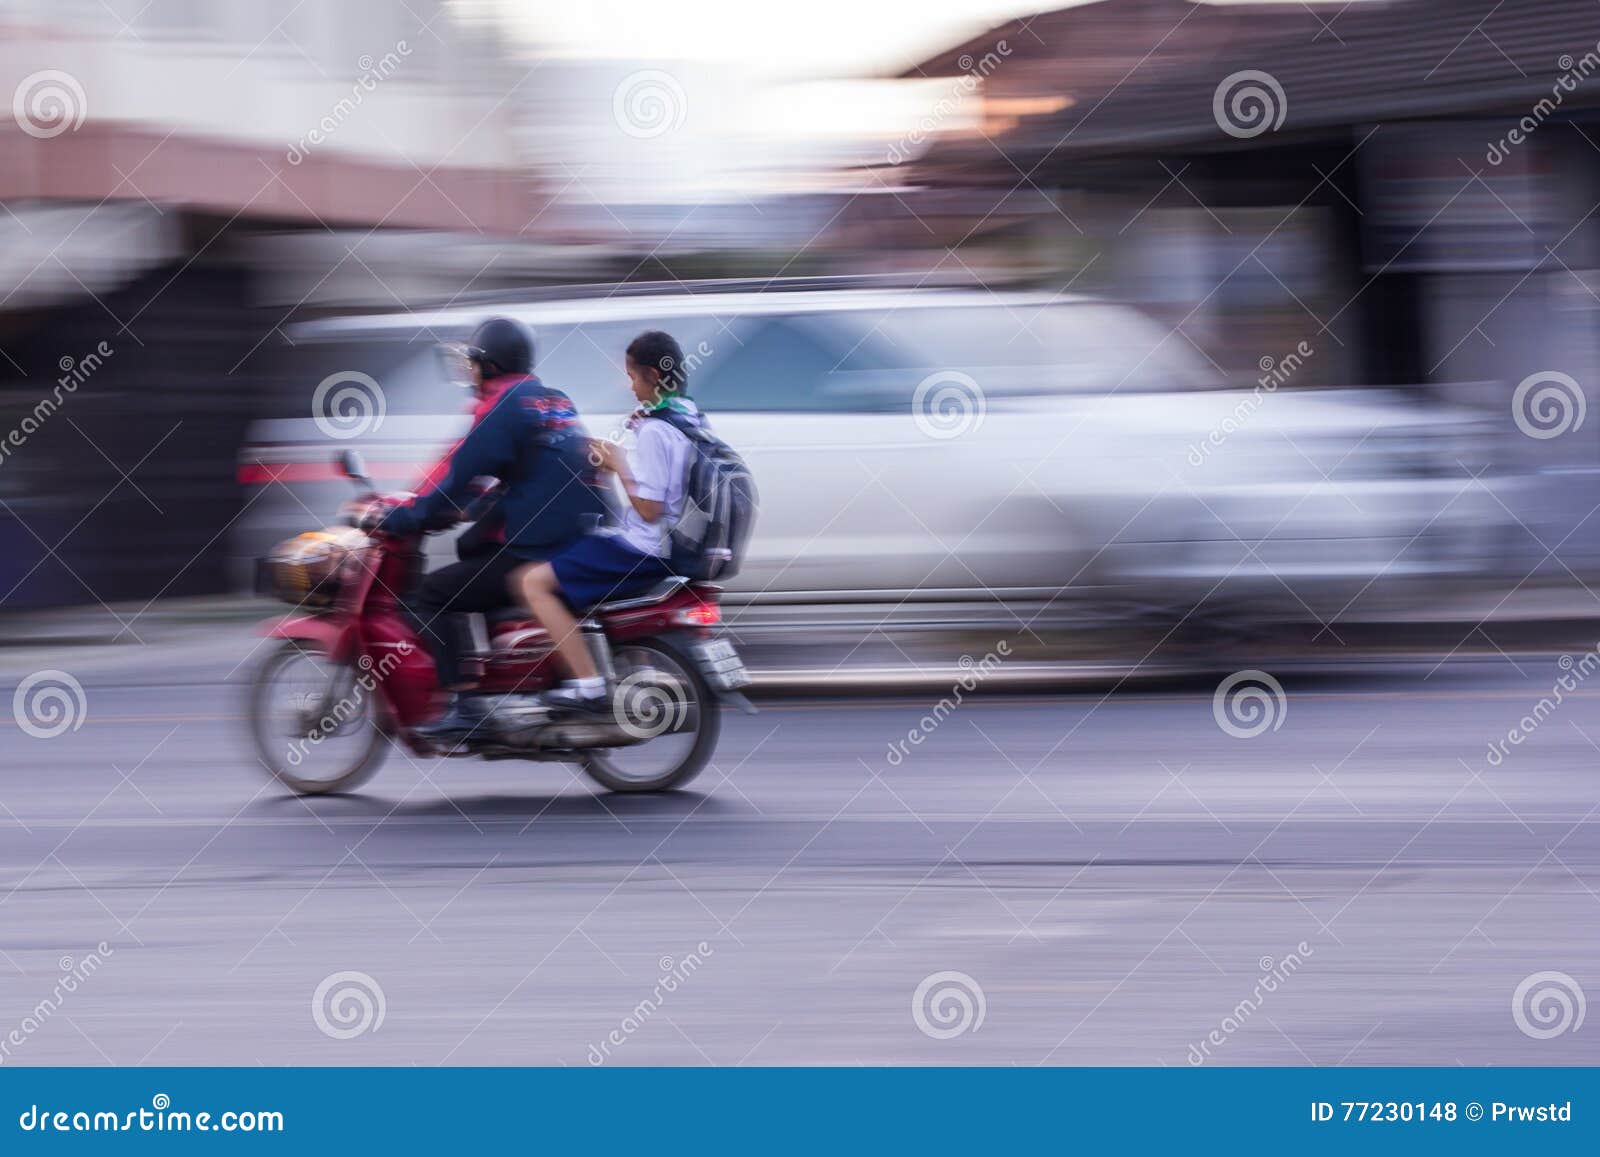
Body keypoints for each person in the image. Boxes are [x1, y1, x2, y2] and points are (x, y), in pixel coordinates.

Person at [376, 317, 607, 740]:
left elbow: (457, 475)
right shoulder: (550, 399)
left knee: (430, 595)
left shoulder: (501, 407)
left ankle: (464, 705)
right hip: (580, 534)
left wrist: (405, 517)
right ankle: (503, 669)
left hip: (542, 544)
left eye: (475, 362)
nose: (470, 371)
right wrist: (472, 507)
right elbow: (539, 468)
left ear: (491, 364)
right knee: (472, 552)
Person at [513, 330, 700, 714]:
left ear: (650, 374)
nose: (629, 386)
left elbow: (649, 509)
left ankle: (588, 685)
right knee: (577, 549)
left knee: (533, 582)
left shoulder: (653, 430)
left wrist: (618, 466)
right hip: (663, 544)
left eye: (632, 376)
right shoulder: (688, 416)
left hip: (642, 549)